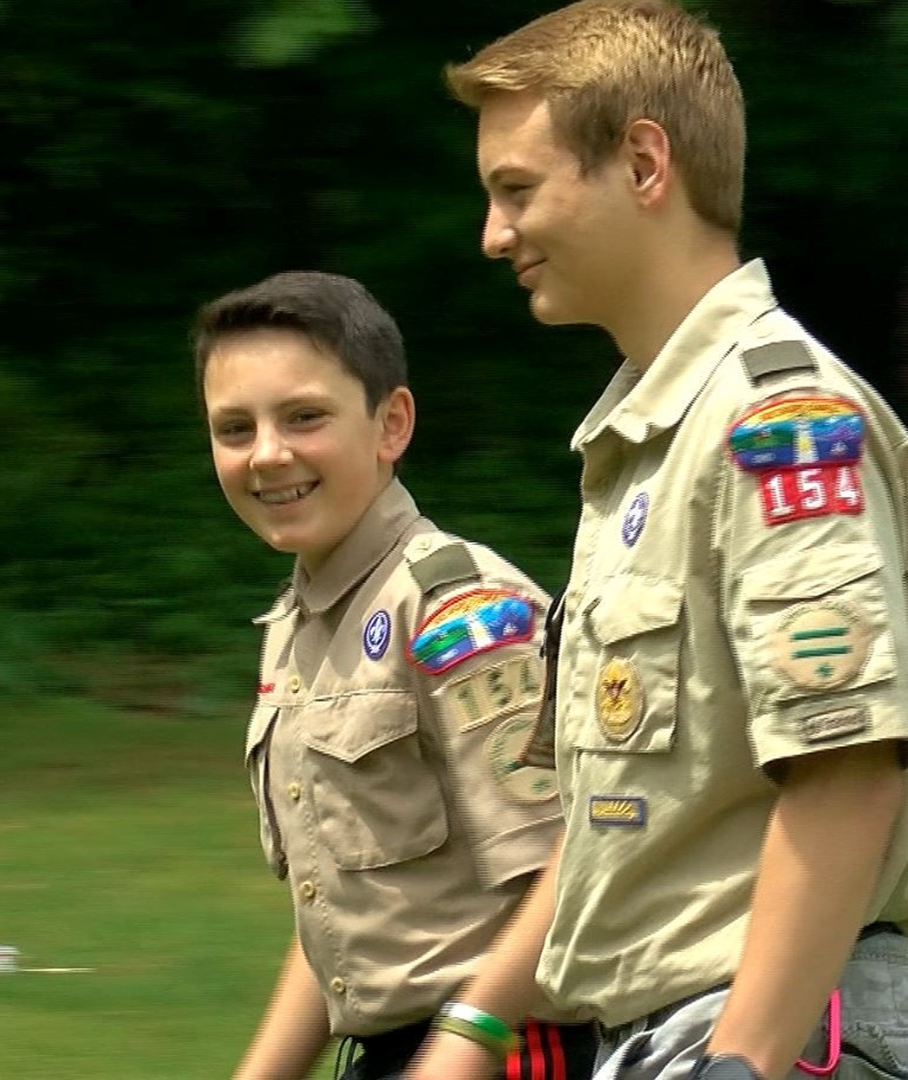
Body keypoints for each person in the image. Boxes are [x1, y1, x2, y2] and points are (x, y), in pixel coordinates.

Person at [413, 4, 908, 1078]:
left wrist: (744, 1061)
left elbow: (848, 770)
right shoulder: (647, 447)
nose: (494, 234)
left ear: (640, 162)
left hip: (765, 1034)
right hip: (678, 1034)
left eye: (516, 190)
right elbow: (627, 828)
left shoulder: (775, 426)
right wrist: (475, 1027)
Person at [197, 271, 597, 1079]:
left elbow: (574, 860)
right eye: (234, 428)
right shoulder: (299, 630)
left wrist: (464, 1048)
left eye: (304, 417)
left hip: (507, 1052)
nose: (267, 454)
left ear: (392, 424)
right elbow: (350, 921)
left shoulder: (459, 610)